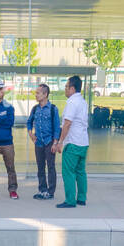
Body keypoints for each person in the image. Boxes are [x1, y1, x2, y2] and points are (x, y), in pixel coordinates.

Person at [54, 75, 89, 209]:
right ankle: (81, 198)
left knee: (68, 171)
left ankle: (70, 200)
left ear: (72, 88)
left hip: (73, 142)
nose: (65, 89)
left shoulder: (72, 103)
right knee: (80, 171)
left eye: (66, 87)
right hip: (83, 142)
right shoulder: (83, 101)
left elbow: (67, 123)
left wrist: (60, 142)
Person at [25, 83, 61, 200]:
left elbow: (56, 128)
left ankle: (50, 192)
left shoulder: (53, 109)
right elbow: (29, 122)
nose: (36, 95)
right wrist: (31, 135)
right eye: (36, 93)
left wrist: (55, 143)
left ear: (45, 94)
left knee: (50, 167)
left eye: (38, 93)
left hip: (49, 142)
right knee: (40, 167)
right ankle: (42, 190)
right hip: (38, 142)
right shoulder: (35, 109)